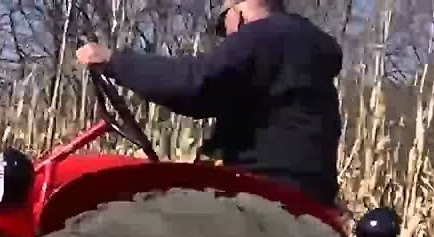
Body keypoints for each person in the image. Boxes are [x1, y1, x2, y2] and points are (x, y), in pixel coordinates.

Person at [75, 0, 344, 207]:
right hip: (292, 193)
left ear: (237, 14)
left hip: (264, 197)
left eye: (221, 25)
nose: (225, 37)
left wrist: (115, 62)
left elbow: (196, 83)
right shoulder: (297, 51)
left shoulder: (266, 35)